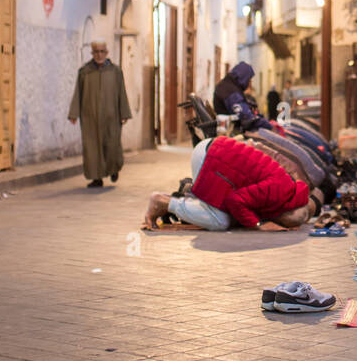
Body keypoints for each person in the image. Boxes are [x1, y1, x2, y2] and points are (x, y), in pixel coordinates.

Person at [142, 136, 315, 232]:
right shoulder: (278, 191)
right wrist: (259, 225)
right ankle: (164, 201)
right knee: (220, 221)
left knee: (229, 215)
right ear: (285, 211)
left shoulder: (287, 189)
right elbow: (235, 200)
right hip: (211, 159)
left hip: (214, 151)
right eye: (284, 222)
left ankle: (189, 198)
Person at [68, 40, 131, 188]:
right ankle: (97, 178)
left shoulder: (115, 72)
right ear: (92, 53)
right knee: (92, 148)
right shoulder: (85, 72)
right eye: (96, 52)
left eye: (102, 51)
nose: (99, 55)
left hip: (111, 116)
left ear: (106, 53)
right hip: (90, 118)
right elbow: (78, 93)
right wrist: (74, 113)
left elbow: (122, 92)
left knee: (112, 145)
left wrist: (124, 113)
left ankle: (113, 169)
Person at [213, 62, 269, 132]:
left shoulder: (228, 85)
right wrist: (268, 125)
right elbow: (246, 116)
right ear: (243, 77)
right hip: (232, 131)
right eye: (249, 80)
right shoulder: (230, 91)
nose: (249, 83)